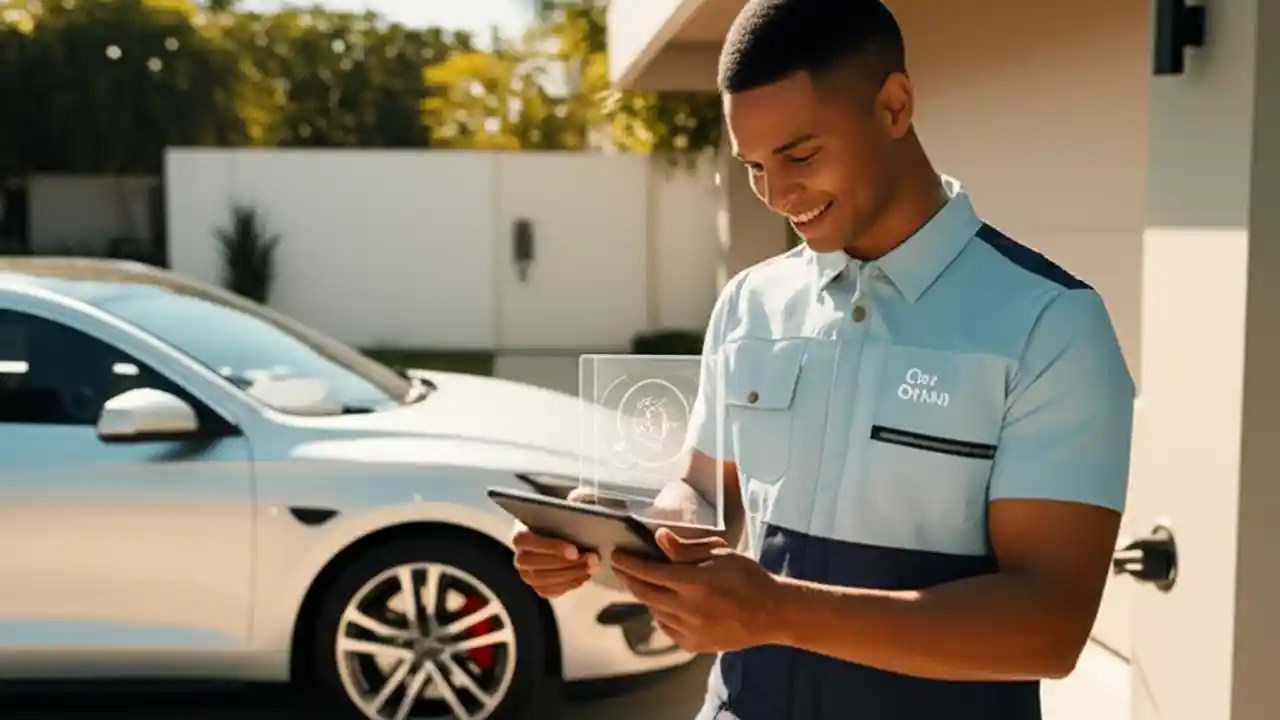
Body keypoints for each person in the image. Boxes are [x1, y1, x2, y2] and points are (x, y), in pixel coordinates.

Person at [511, 0, 1135, 717]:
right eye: (752, 167)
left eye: (800, 155)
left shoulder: (1050, 324)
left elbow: (1049, 627)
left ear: (895, 106)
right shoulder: (751, 304)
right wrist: (618, 538)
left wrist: (781, 612)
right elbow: (708, 494)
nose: (778, 195)